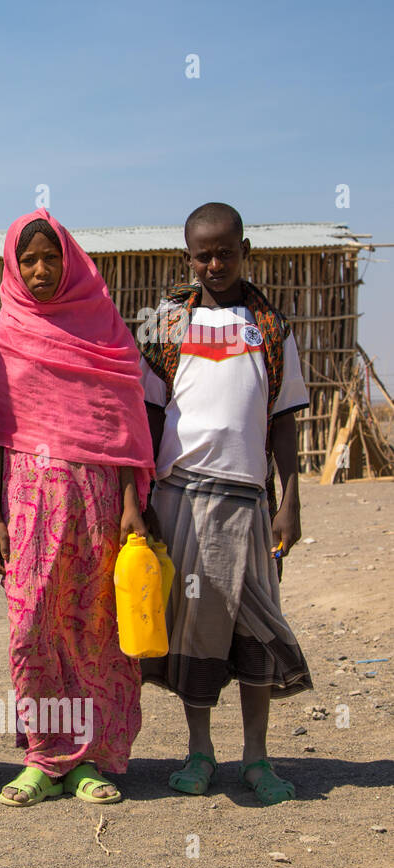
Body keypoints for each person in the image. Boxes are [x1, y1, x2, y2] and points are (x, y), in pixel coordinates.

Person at [0, 210, 152, 807]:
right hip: (27, 501)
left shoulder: (103, 329)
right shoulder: (1, 340)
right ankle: (42, 757)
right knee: (30, 630)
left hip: (97, 500)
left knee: (91, 630)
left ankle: (88, 760)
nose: (42, 269)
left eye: (52, 256)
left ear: (70, 259)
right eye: (29, 260)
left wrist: (131, 503)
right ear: (13, 266)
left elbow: (124, 424)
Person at [139, 201, 313, 805]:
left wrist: (289, 501)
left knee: (257, 630)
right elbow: (150, 415)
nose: (215, 263)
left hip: (250, 501)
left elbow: (287, 422)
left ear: (246, 250)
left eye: (225, 251)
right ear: (188, 257)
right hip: (181, 495)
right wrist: (146, 496)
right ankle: (200, 751)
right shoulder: (165, 327)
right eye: (202, 254)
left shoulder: (270, 328)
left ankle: (258, 757)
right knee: (196, 629)